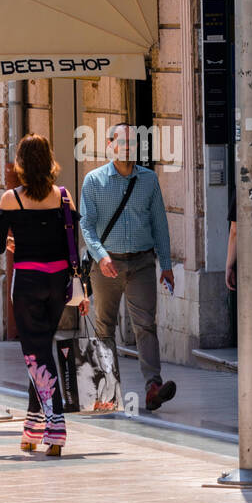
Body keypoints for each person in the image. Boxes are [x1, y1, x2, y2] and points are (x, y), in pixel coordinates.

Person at [0, 134, 89, 454]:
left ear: (20, 163)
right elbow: (73, 243)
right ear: (49, 161)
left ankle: (56, 424)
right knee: (41, 350)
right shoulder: (63, 196)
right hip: (58, 282)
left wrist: (11, 239)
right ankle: (33, 427)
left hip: (28, 282)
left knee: (35, 354)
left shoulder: (10, 199)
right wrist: (82, 286)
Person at [80, 121, 176, 412]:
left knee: (146, 325)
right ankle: (108, 391)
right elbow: (86, 224)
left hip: (142, 263)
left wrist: (167, 265)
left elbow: (159, 223)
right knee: (104, 328)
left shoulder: (148, 180)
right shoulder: (94, 181)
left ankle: (153, 388)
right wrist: (100, 255)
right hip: (106, 264)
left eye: (135, 143)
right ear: (110, 145)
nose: (129, 148)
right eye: (123, 142)